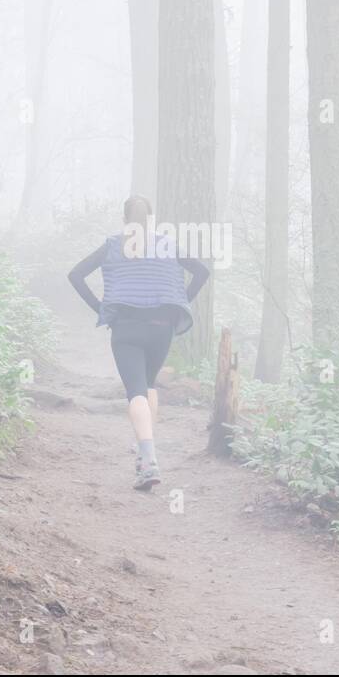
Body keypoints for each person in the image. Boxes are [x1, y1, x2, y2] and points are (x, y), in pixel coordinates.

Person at [67, 196, 210, 490]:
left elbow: (75, 275)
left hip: (127, 328)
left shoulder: (113, 244)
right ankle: (147, 452)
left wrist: (100, 308)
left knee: (136, 392)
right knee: (149, 385)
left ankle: (148, 460)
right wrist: (178, 302)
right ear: (151, 219)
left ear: (125, 219)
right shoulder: (167, 244)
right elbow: (202, 271)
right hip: (162, 327)